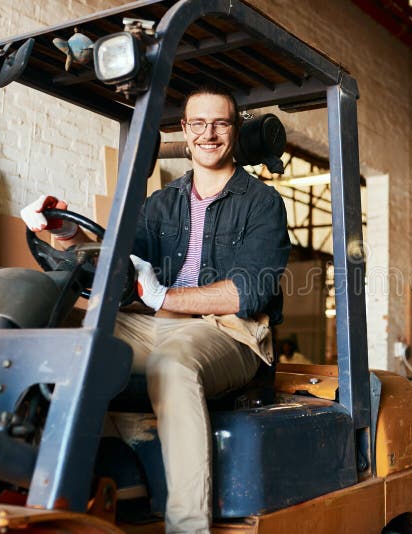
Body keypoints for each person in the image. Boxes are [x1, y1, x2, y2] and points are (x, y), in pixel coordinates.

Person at [21, 85, 290, 533]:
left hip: (227, 333)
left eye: (220, 123)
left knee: (173, 364)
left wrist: (163, 296)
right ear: (184, 130)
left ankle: (187, 526)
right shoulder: (161, 203)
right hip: (155, 325)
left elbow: (248, 294)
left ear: (235, 129)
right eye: (198, 123)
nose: (209, 133)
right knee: (52, 324)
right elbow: (121, 267)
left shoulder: (262, 203)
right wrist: (66, 233)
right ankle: (51, 486)